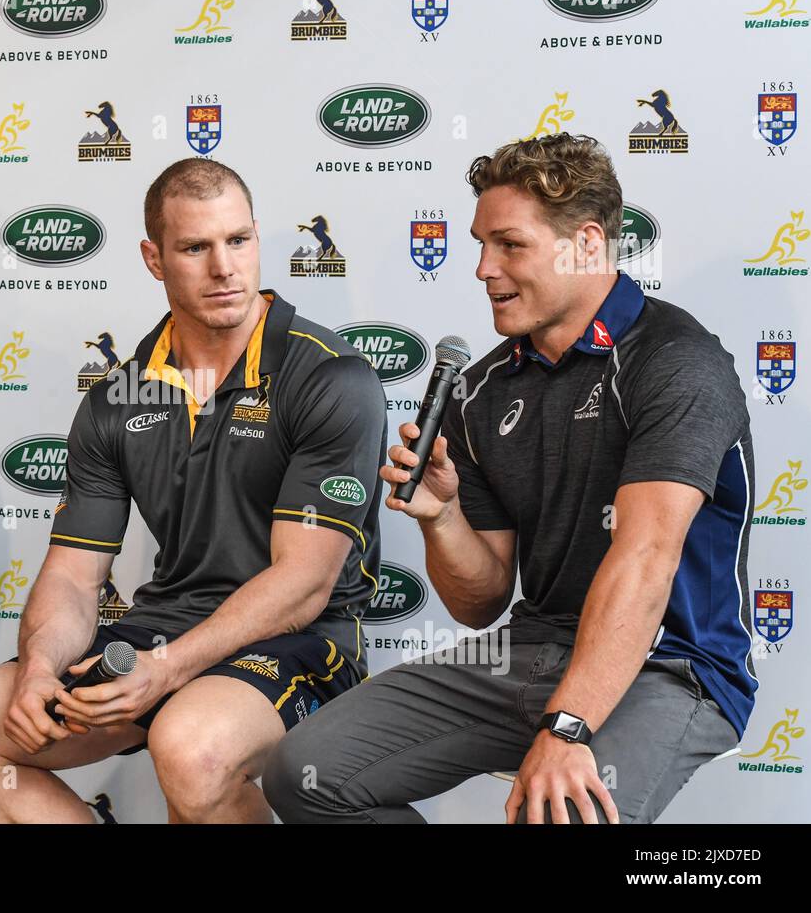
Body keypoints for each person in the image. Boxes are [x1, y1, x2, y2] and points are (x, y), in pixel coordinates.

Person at [264, 133, 756, 824]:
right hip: (532, 649)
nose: (482, 269)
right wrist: (443, 518)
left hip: (672, 665)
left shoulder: (677, 364)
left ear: (586, 244)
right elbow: (480, 599)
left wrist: (567, 729)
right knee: (304, 772)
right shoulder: (480, 390)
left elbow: (646, 560)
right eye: (479, 244)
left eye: (509, 245)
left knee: (558, 815)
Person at [0, 158, 385, 823]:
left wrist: (165, 669)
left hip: (302, 642)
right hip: (164, 630)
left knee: (191, 747)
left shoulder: (329, 376)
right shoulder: (119, 396)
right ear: (153, 257)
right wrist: (37, 671)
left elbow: (304, 585)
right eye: (196, 248)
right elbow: (75, 579)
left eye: (238, 241)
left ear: (256, 237)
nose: (224, 268)